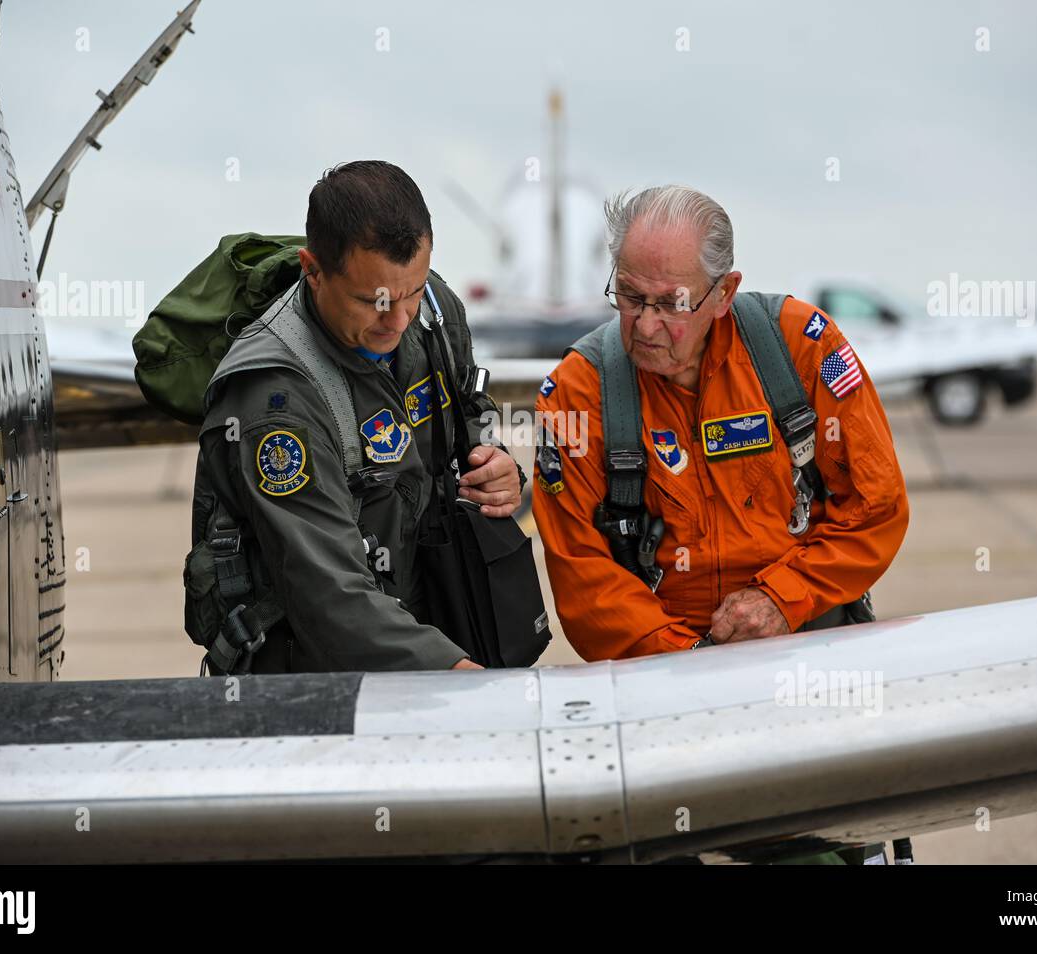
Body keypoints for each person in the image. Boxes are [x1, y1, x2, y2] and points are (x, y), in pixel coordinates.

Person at [532, 184, 910, 864]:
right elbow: (583, 581)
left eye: (670, 304)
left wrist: (780, 600)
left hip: (801, 676)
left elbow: (875, 508)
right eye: (629, 297)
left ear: (724, 292)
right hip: (657, 701)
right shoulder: (578, 394)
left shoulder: (799, 350)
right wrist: (694, 671)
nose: (646, 325)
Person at [189, 160, 523, 674]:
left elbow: (470, 413)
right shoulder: (275, 401)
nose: (398, 320)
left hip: (430, 643)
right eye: (374, 301)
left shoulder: (433, 312)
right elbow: (328, 595)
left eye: (411, 292)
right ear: (313, 271)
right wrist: (459, 677)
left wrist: (497, 468)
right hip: (317, 687)